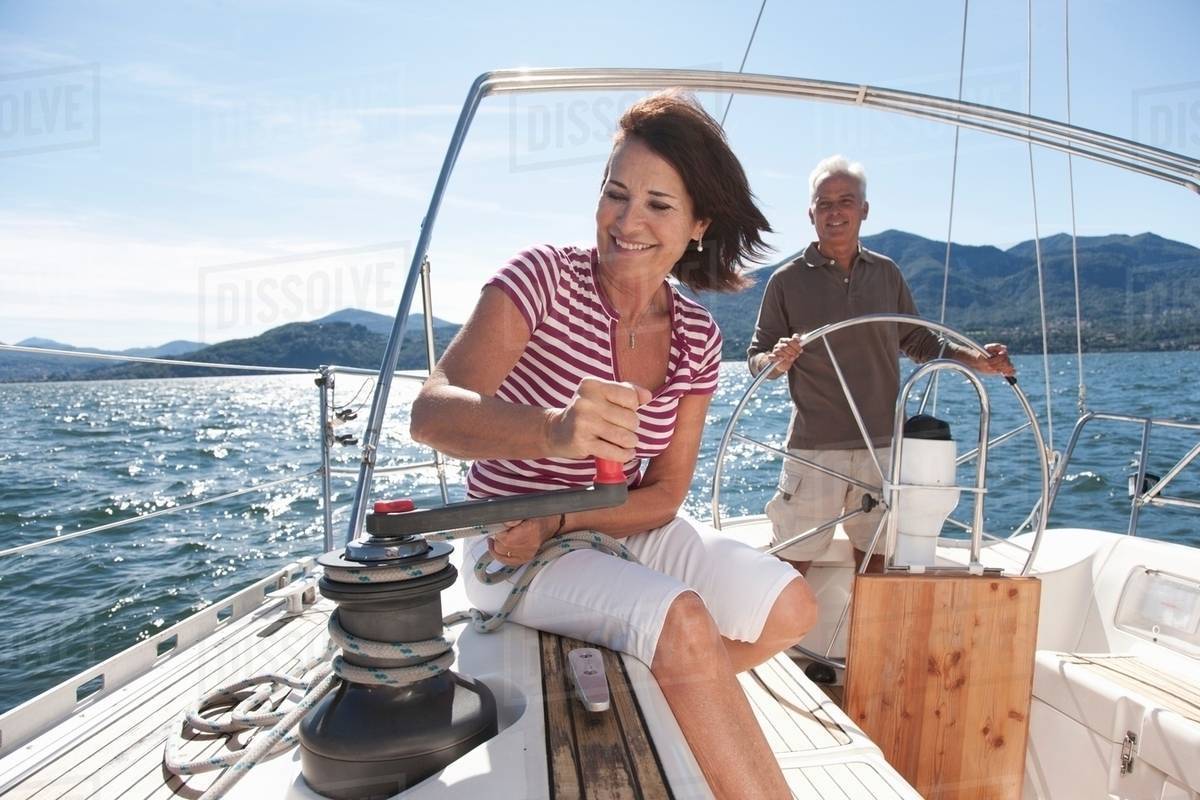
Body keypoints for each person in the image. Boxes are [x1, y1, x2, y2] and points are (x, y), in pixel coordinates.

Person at [410, 91, 815, 799]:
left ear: (698, 225)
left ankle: (676, 677)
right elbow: (430, 414)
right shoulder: (540, 280)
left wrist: (567, 518)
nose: (627, 222)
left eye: (659, 205)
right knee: (682, 619)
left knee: (792, 608)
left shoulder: (696, 336)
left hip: (611, 527)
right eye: (615, 193)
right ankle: (686, 675)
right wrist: (551, 431)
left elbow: (663, 496)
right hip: (509, 542)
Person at [747, 155, 1015, 576]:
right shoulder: (786, 280)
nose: (835, 212)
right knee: (789, 565)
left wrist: (977, 361)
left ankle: (866, 645)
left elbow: (919, 341)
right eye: (824, 203)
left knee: (877, 565)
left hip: (883, 448)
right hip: (814, 447)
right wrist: (776, 359)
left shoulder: (886, 273)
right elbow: (756, 358)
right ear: (811, 213)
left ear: (864, 209)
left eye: (845, 201)